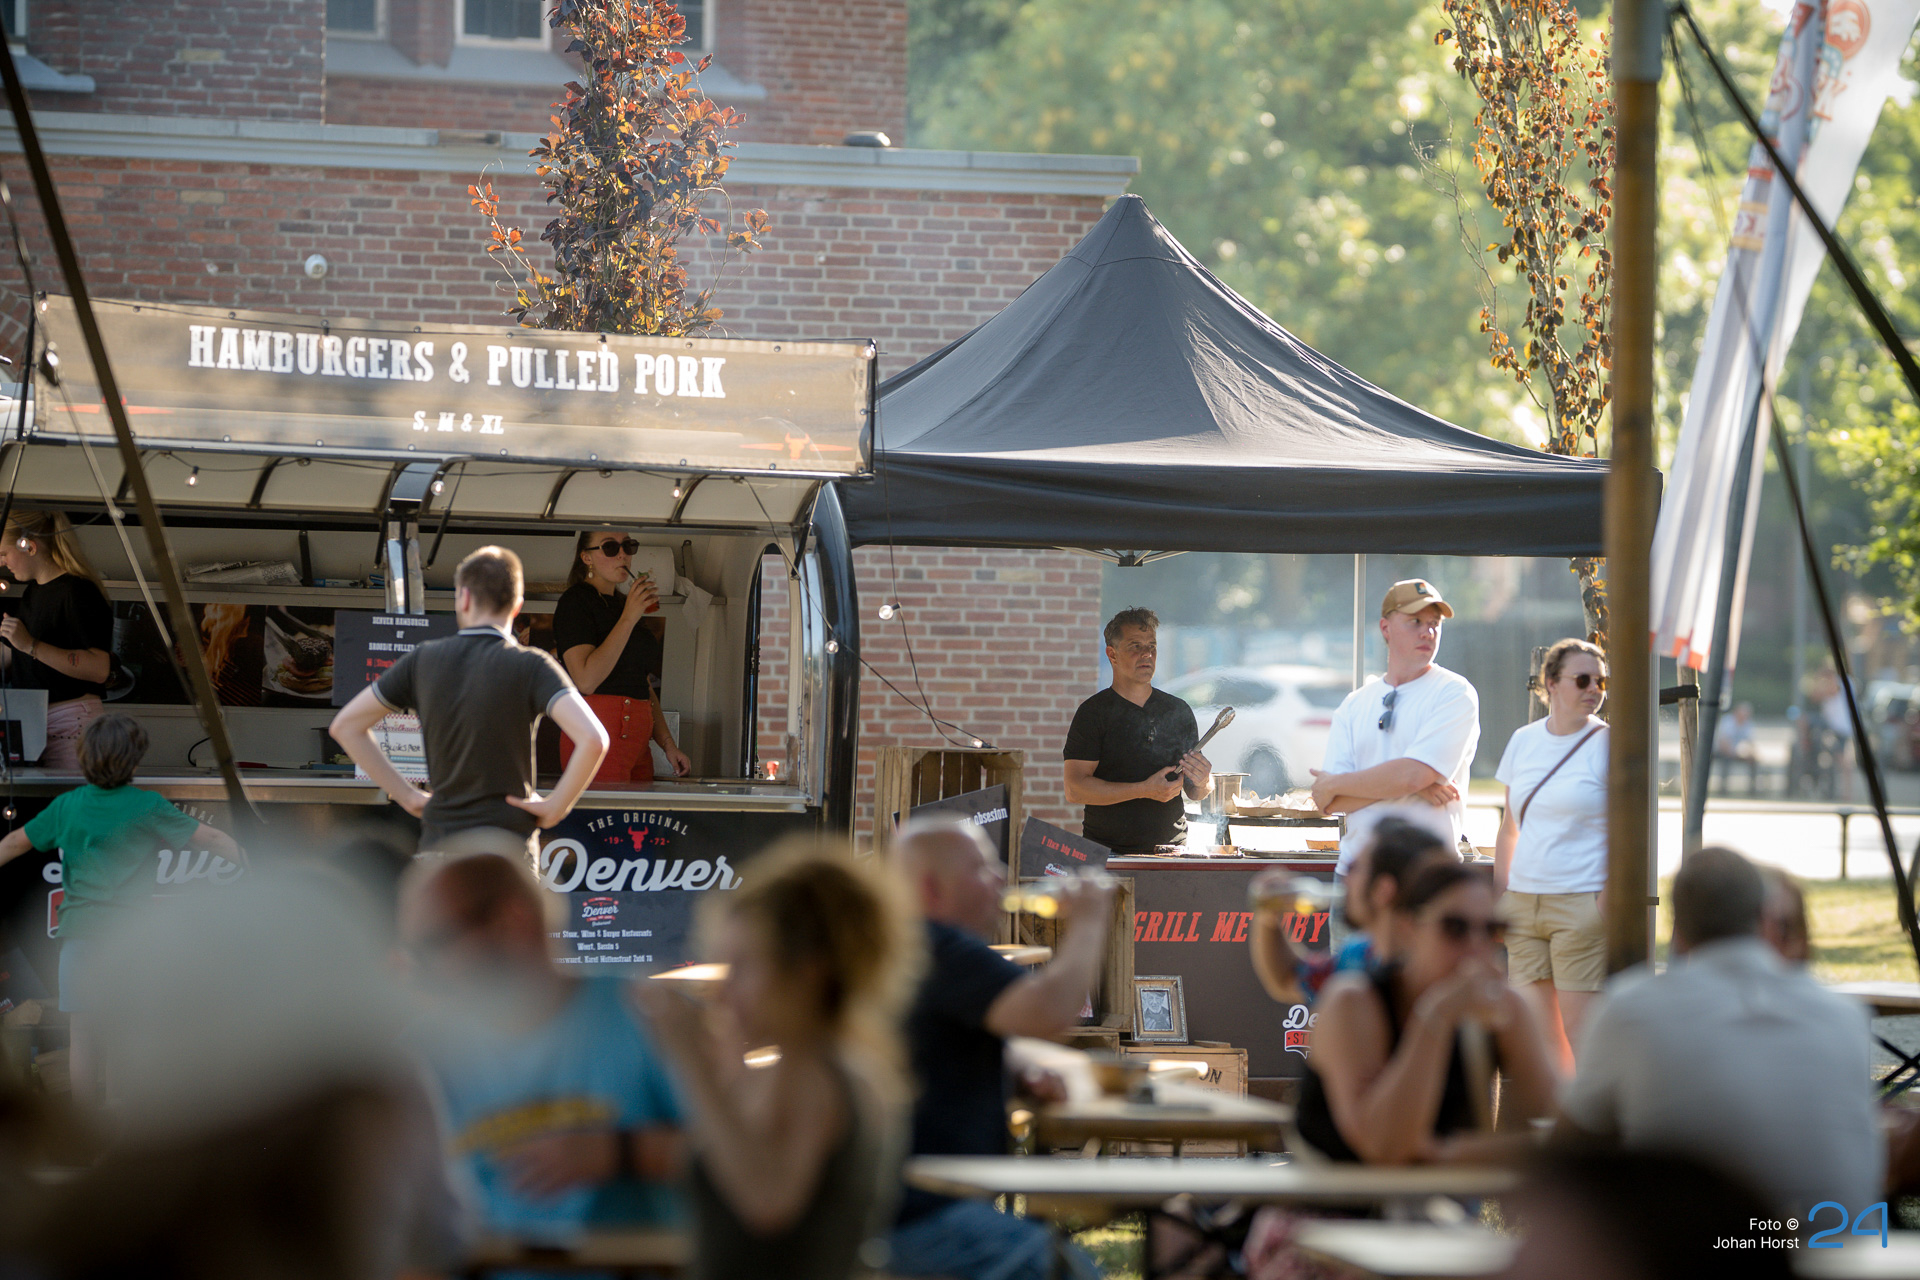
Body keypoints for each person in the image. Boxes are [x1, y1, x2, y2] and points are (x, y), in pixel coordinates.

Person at [639, 839, 918, 1280]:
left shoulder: (817, 1072)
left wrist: (690, 1061)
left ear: (809, 969)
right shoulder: (809, 1064)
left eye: (745, 966)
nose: (723, 992)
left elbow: (769, 1203)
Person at [1559, 846, 1883, 1216]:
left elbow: (1570, 1145)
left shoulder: (1632, 1009)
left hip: (1698, 1253)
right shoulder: (1845, 1016)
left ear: (1678, 932)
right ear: (1764, 918)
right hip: (1839, 1245)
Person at [398, 852, 683, 1243]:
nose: (420, 973)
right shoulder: (421, 1053)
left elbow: (741, 1161)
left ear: (512, 922)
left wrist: (621, 1153)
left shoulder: (646, 1012)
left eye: (433, 945)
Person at [886, 814, 1111, 1280]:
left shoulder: (900, 950)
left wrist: (1017, 1060)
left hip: (893, 1209)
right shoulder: (941, 948)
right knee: (1073, 1275)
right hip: (926, 1216)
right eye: (980, 868)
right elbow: (1048, 1014)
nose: (999, 878)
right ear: (932, 888)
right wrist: (1090, 921)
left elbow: (944, 1035)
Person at [0, 712, 243, 1103]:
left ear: (83, 757)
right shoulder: (146, 806)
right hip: (129, 940)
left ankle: (83, 1129)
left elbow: (13, 844)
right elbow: (212, 838)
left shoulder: (68, 805)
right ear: (134, 760)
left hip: (78, 937)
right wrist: (250, 860)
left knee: (81, 1036)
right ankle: (115, 1125)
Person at [330, 546, 610, 857]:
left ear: (462, 599)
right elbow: (594, 739)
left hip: (444, 844)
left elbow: (346, 726)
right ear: (517, 606)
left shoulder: (423, 660)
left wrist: (408, 796)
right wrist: (556, 806)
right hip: (510, 846)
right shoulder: (534, 665)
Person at [1294, 862, 1556, 1163]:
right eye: (1455, 928)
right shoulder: (1353, 1001)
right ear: (1409, 928)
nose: (1476, 945)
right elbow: (1385, 1147)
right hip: (1332, 1204)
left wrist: (1450, 1154)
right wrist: (1436, 1016)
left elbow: (1570, 1136)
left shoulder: (1506, 1007)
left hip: (1438, 1206)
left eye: (1491, 930)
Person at [1493, 637, 1609, 1070]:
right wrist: (1502, 895)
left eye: (1601, 681)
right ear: (1551, 683)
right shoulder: (1523, 741)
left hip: (1580, 903)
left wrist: (1603, 905)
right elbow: (1510, 827)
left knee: (1582, 1036)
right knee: (1536, 1043)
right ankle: (1547, 1131)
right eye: (1582, 680)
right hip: (1523, 904)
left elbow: (1627, 832)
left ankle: (1593, 1133)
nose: (1594, 689)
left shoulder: (1609, 744)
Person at [1311, 580, 1479, 876]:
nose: (1428, 631)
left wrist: (1337, 783)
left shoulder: (1455, 693)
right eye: (1415, 621)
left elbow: (1412, 775)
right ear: (1385, 628)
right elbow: (1330, 803)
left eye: (1435, 623)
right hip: (1358, 878)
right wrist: (1408, 785)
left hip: (1426, 878)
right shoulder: (1354, 704)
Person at [1248, 816, 1454, 1008]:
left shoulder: (1443, 968)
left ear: (1383, 890)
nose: (1346, 878)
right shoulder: (1362, 955)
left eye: (1355, 868)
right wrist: (1269, 921)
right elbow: (1287, 978)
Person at [1063, 607, 1212, 855]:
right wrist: (1144, 789)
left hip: (1172, 852)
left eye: (1152, 646)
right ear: (1112, 655)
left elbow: (1195, 792)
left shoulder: (1178, 710)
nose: (1147, 654)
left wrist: (1204, 779)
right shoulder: (1093, 713)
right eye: (1135, 646)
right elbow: (1074, 788)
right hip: (1107, 854)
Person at [552, 529, 692, 785]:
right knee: (608, 819)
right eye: (610, 548)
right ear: (587, 558)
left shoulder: (623, 605)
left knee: (636, 820)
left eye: (628, 547)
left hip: (638, 738)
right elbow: (585, 680)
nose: (622, 555)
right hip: (597, 735)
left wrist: (668, 744)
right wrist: (629, 617)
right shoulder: (576, 602)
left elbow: (642, 683)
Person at [0, 511, 115, 770]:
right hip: (36, 720)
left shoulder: (77, 591)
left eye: (4, 553)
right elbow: (14, 653)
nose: (2, 562)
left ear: (28, 546)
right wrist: (18, 645)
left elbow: (99, 669)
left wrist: (31, 645)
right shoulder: (34, 593)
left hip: (71, 722)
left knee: (73, 807)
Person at [1712, 701, 1759, 794]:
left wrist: (1751, 754)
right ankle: (1723, 789)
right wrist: (1734, 754)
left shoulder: (1748, 724)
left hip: (1736, 752)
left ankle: (1752, 789)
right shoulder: (1727, 722)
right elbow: (1723, 743)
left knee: (1753, 761)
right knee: (1726, 760)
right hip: (1721, 751)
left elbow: (1750, 743)